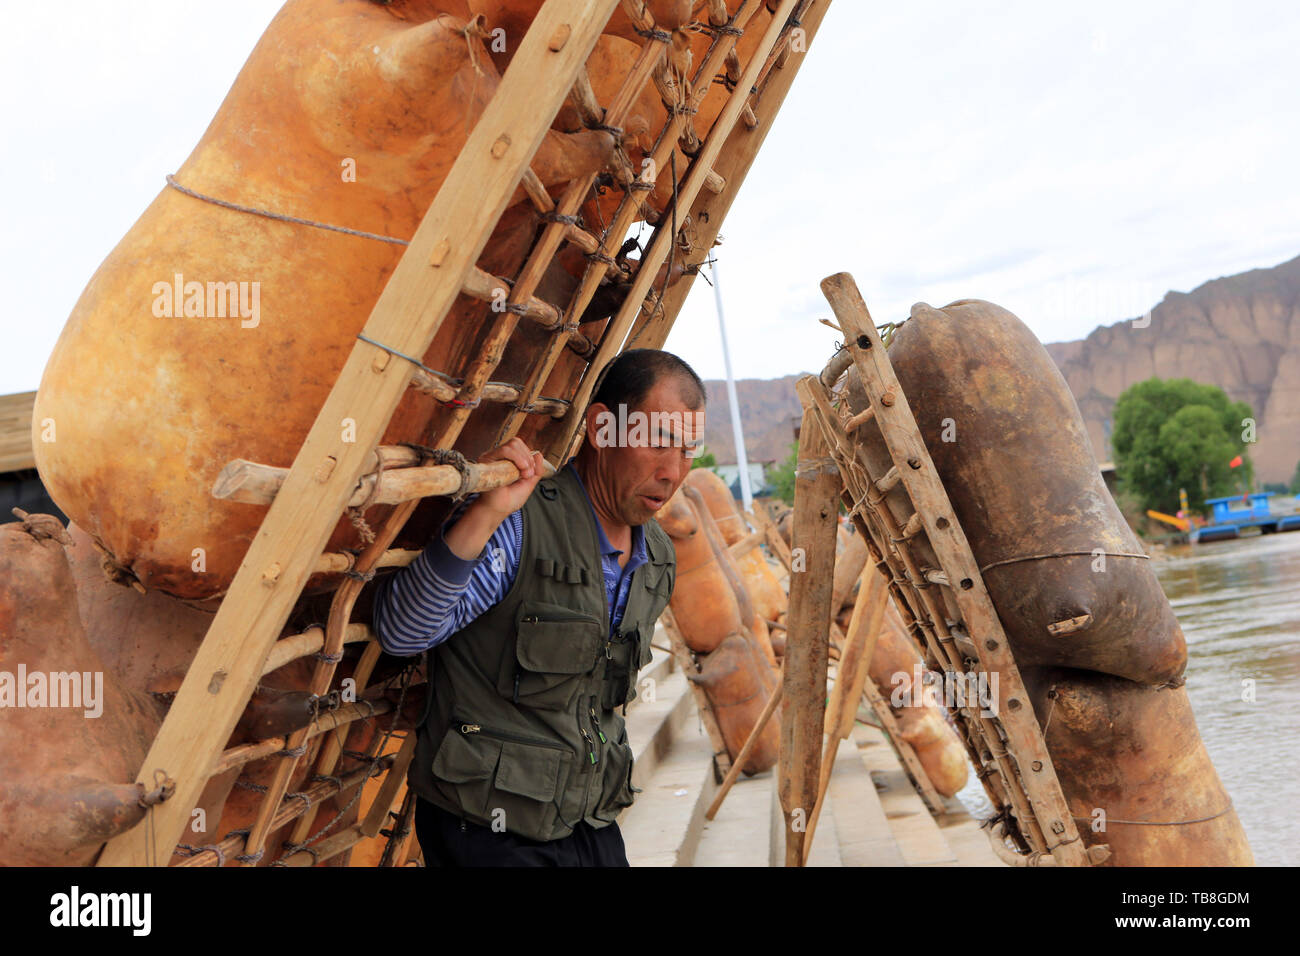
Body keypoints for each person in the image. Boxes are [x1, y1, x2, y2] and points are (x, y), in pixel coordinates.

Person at [372, 348, 706, 866]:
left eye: (688, 450)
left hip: (588, 821)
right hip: (489, 826)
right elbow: (403, 634)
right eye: (658, 442)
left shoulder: (655, 555)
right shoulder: (521, 523)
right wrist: (487, 511)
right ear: (602, 428)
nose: (672, 471)